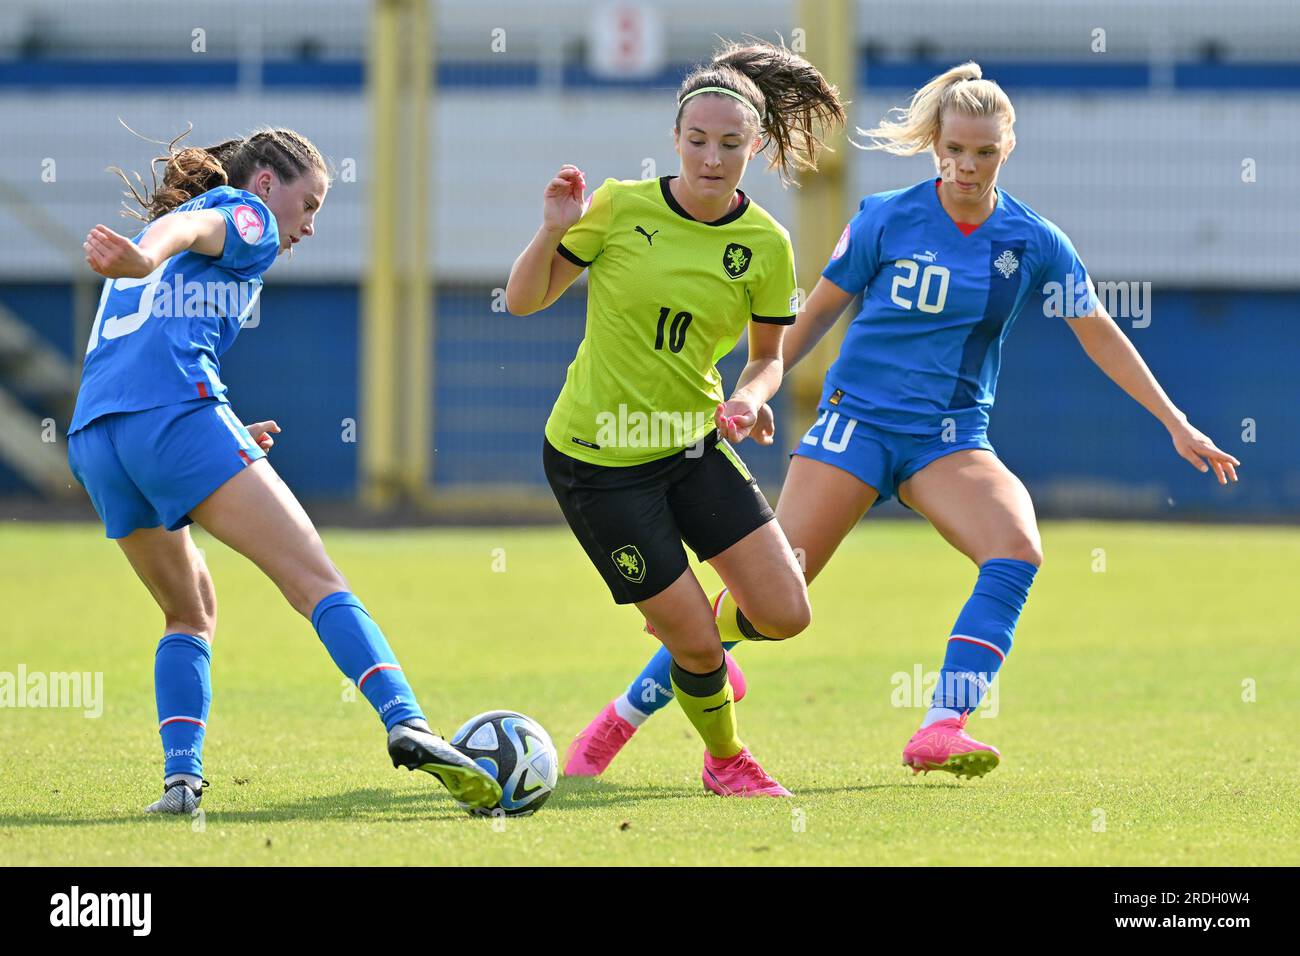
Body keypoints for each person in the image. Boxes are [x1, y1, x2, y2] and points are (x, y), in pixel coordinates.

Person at [565, 61, 1240, 780]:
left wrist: (1176, 421)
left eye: (983, 152)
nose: (967, 166)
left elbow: (1098, 329)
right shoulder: (885, 217)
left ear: (1006, 148)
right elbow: (813, 315)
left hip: (949, 441)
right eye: (954, 150)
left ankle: (942, 725)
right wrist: (755, 393)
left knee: (1016, 549)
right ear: (935, 146)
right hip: (853, 428)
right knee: (771, 607)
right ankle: (620, 719)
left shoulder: (1034, 240)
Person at [70, 127, 501, 813]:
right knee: (316, 580)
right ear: (268, 184)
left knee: (189, 609)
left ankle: (181, 784)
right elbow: (196, 231)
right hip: (175, 421)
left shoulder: (184, 228)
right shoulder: (246, 213)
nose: (309, 225)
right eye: (312, 203)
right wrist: (140, 257)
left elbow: (156, 340)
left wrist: (228, 429)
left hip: (98, 439)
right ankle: (407, 722)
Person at [507, 40, 845, 797]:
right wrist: (553, 227)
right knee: (693, 642)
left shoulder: (765, 244)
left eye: (730, 144)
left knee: (787, 613)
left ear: (754, 147)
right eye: (697, 141)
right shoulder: (621, 208)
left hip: (691, 447)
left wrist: (752, 399)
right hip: (597, 463)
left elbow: (768, 357)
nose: (711, 158)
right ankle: (725, 758)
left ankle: (693, 638)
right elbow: (524, 300)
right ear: (675, 140)